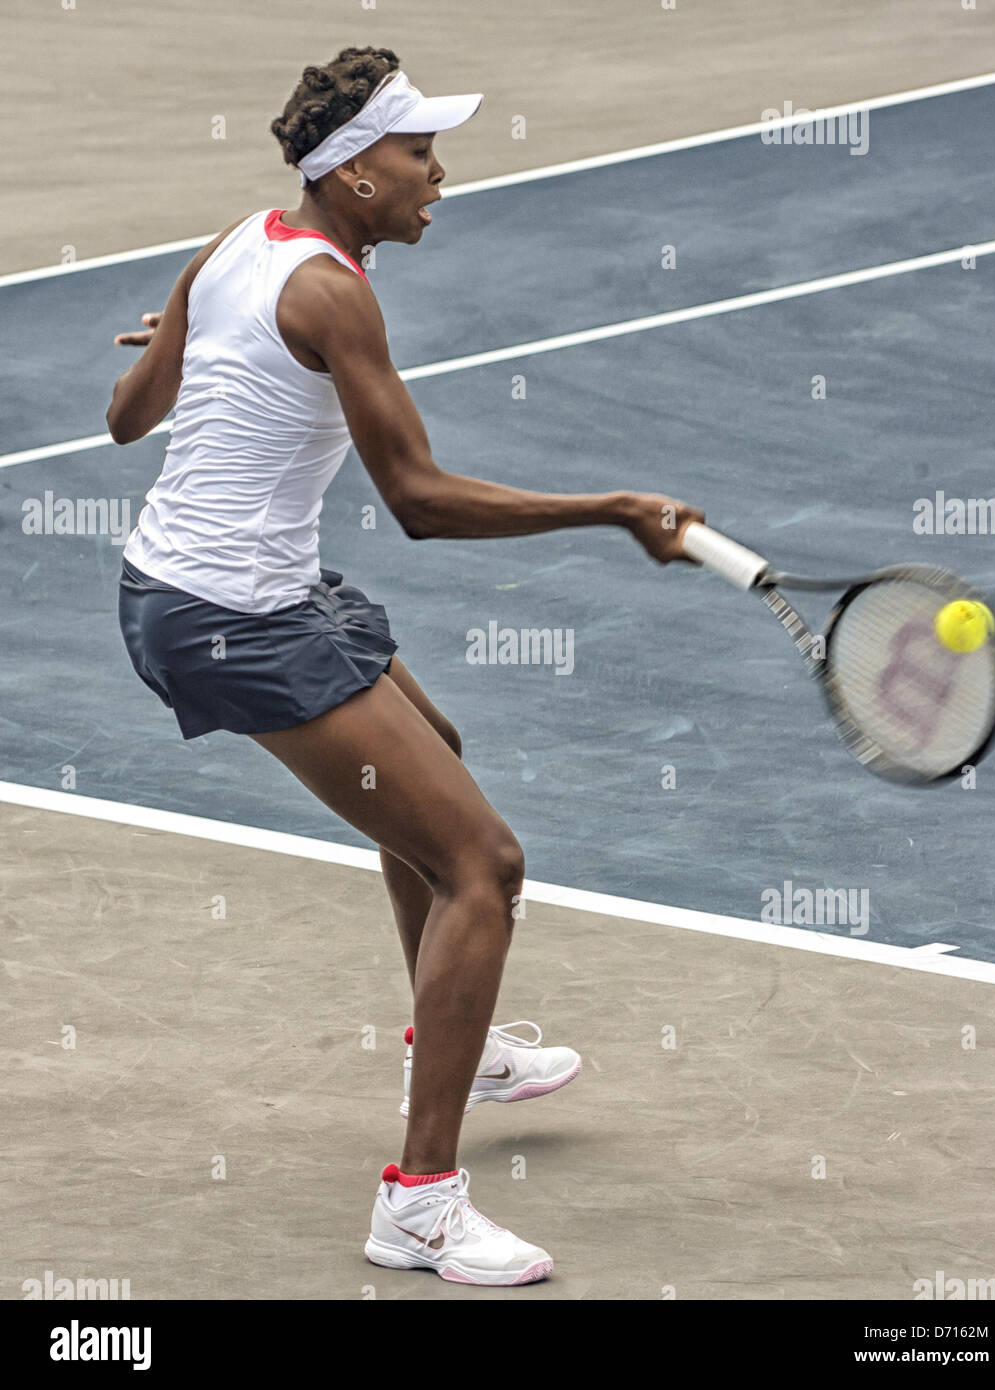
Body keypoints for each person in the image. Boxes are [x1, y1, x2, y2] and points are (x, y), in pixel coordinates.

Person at [108, 45, 703, 1287]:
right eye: (417, 152)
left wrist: (189, 333)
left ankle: (458, 1037)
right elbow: (421, 503)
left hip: (199, 582)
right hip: (234, 615)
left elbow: (126, 417)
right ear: (354, 172)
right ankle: (419, 1205)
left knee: (435, 767)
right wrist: (612, 510)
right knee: (484, 861)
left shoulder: (237, 247)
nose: (440, 173)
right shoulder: (330, 293)